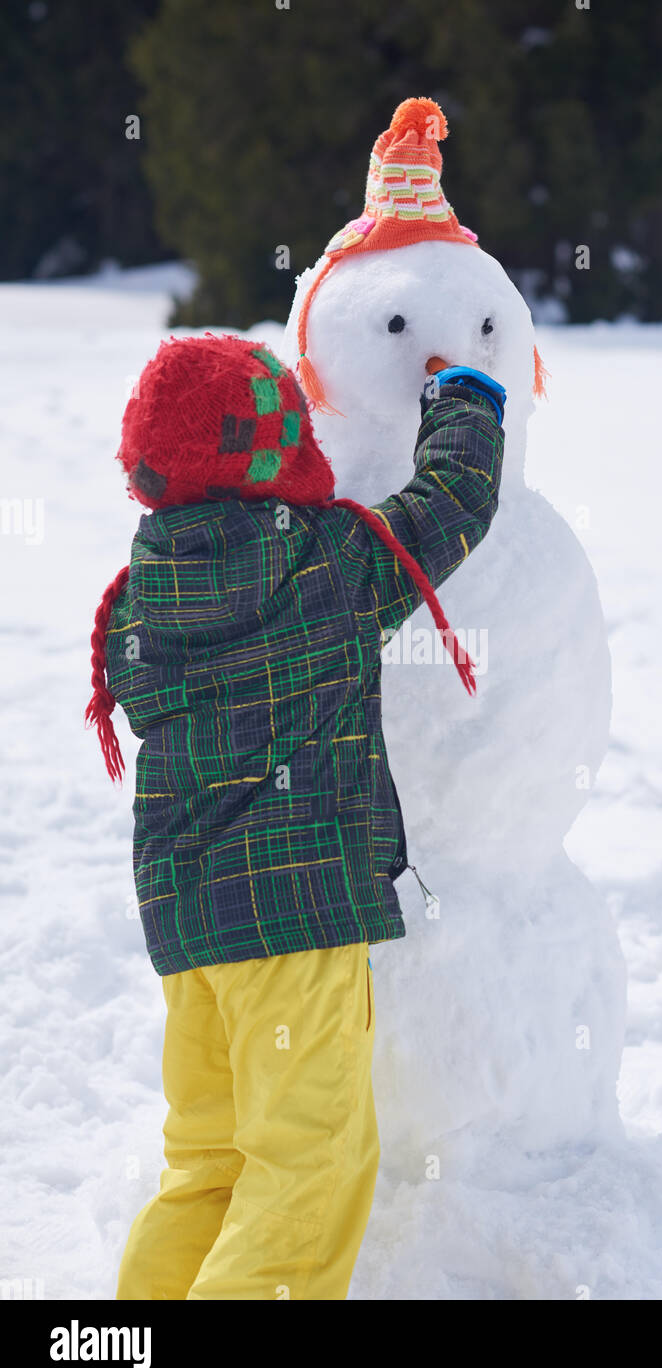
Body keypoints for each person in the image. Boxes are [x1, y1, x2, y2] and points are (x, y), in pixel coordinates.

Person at [86, 332, 505, 1299]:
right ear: (281, 460)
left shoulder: (143, 595)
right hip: (293, 921)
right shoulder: (330, 569)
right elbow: (450, 506)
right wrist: (462, 399)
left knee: (210, 1166)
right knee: (305, 1166)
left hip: (189, 935)